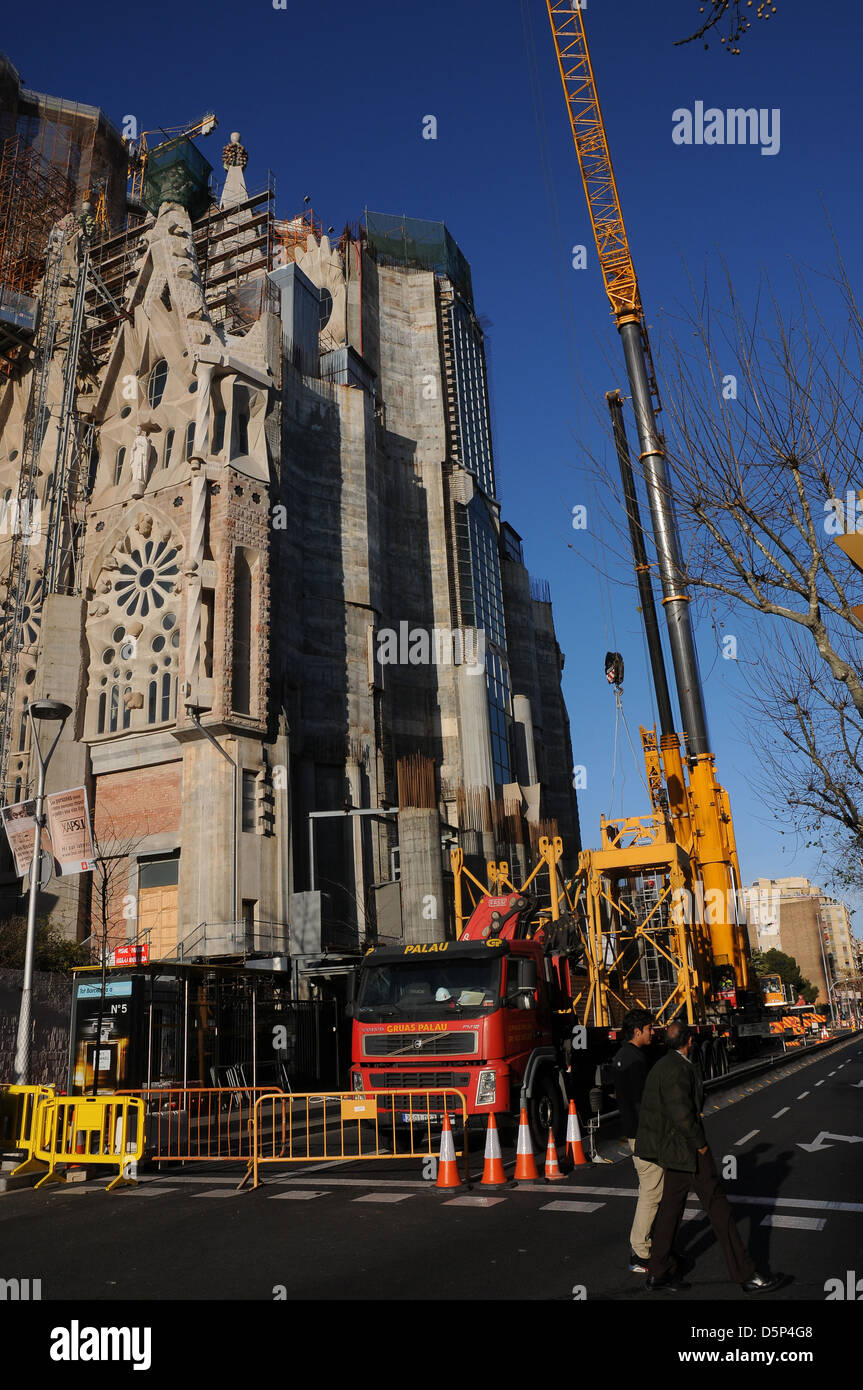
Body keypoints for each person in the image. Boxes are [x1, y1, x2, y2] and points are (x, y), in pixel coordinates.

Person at [636, 1020, 784, 1294]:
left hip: (673, 1151)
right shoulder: (676, 1069)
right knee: (719, 1210)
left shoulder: (664, 1065)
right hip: (687, 1150)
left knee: (670, 1209)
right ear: (688, 1041)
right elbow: (682, 1113)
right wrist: (701, 1145)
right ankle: (746, 1274)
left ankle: (658, 1272)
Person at [611, 1007, 663, 1273]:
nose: (653, 1033)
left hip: (633, 1132)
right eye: (649, 1029)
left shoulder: (621, 1056)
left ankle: (648, 1245)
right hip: (644, 1134)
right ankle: (641, 1252)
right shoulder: (636, 1060)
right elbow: (643, 1102)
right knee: (651, 1193)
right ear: (637, 1031)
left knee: (650, 1190)